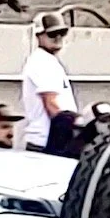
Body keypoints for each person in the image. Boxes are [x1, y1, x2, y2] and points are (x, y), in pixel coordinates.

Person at [19, 12, 77, 152]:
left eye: (61, 32)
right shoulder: (42, 62)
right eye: (52, 34)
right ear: (39, 36)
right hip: (46, 141)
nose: (58, 37)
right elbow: (51, 103)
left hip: (45, 140)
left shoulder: (47, 60)